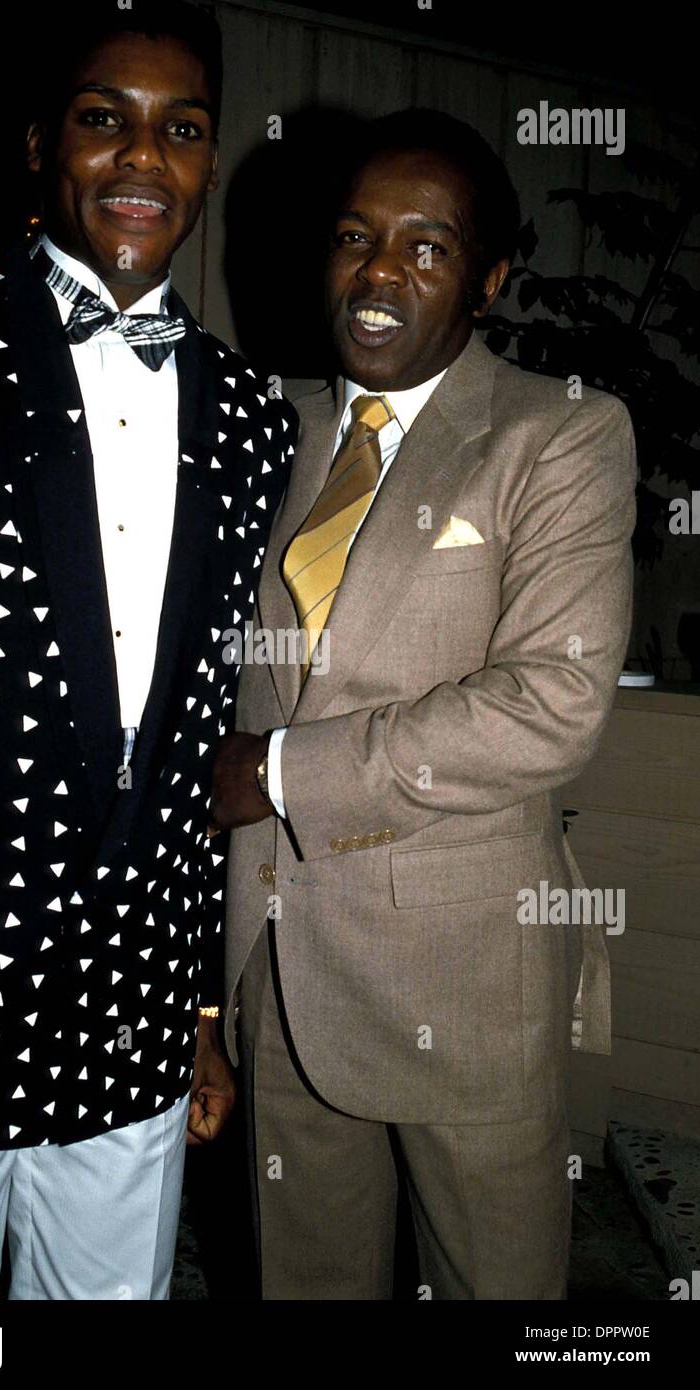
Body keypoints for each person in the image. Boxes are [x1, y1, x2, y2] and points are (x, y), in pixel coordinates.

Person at [0, 2, 295, 1300]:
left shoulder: (250, 415)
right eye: (107, 120)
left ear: (212, 160)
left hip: (130, 1014)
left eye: (184, 129)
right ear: (44, 142)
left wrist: (200, 1012)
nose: (144, 159)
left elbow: (200, 722)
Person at [210, 108, 636, 1300]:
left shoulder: (558, 435)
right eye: (355, 236)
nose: (381, 271)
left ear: (492, 275)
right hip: (282, 963)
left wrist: (284, 772)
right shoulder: (265, 422)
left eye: (428, 246)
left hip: (463, 974)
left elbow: (551, 700)